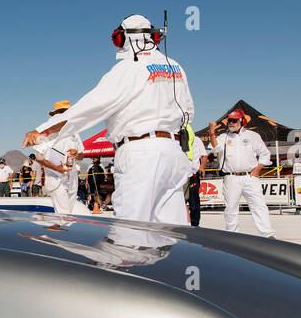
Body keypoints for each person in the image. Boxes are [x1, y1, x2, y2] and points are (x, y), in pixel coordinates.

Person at [22, 14, 195, 224]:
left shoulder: (128, 68)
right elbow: (187, 112)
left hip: (139, 152)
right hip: (172, 152)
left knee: (130, 229)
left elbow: (91, 107)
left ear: (124, 38)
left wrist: (44, 131)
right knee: (170, 228)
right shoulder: (175, 67)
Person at [208, 109, 274, 237]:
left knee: (258, 205)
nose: (231, 123)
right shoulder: (223, 137)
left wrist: (256, 170)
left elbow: (265, 154)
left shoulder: (252, 136)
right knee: (231, 208)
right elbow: (215, 148)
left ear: (242, 121)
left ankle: (267, 234)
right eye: (229, 121)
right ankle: (232, 234)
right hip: (231, 177)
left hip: (250, 176)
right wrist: (212, 132)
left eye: (234, 120)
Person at [29, 101, 88, 215]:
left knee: (69, 213)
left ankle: (63, 231)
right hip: (56, 178)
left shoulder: (74, 132)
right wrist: (57, 168)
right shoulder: (47, 131)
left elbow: (82, 155)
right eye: (61, 113)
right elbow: (39, 157)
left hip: (72, 177)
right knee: (63, 213)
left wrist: (76, 154)